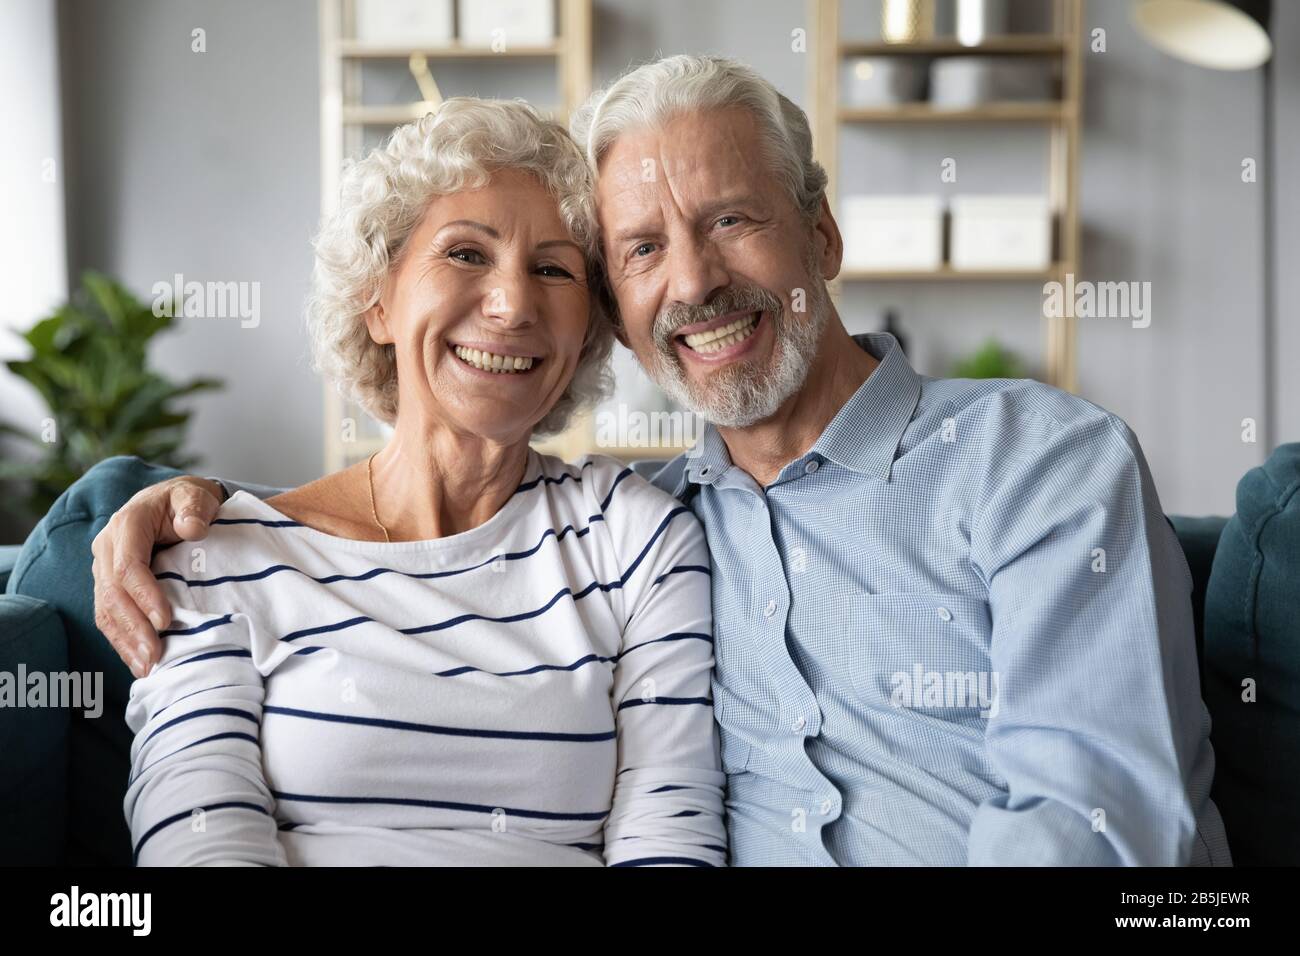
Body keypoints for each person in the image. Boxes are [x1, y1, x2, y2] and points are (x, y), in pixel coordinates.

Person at [95, 56, 1228, 866]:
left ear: (821, 239)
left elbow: (1094, 815)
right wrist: (171, 500)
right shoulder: (668, 518)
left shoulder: (1033, 461)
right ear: (624, 315)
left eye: (733, 219)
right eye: (640, 248)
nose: (691, 283)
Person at [113, 97, 725, 866]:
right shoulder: (215, 555)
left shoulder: (636, 541)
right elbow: (198, 843)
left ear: (588, 332)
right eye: (467, 254)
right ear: (378, 302)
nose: (511, 305)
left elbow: (670, 834)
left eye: (553, 269)